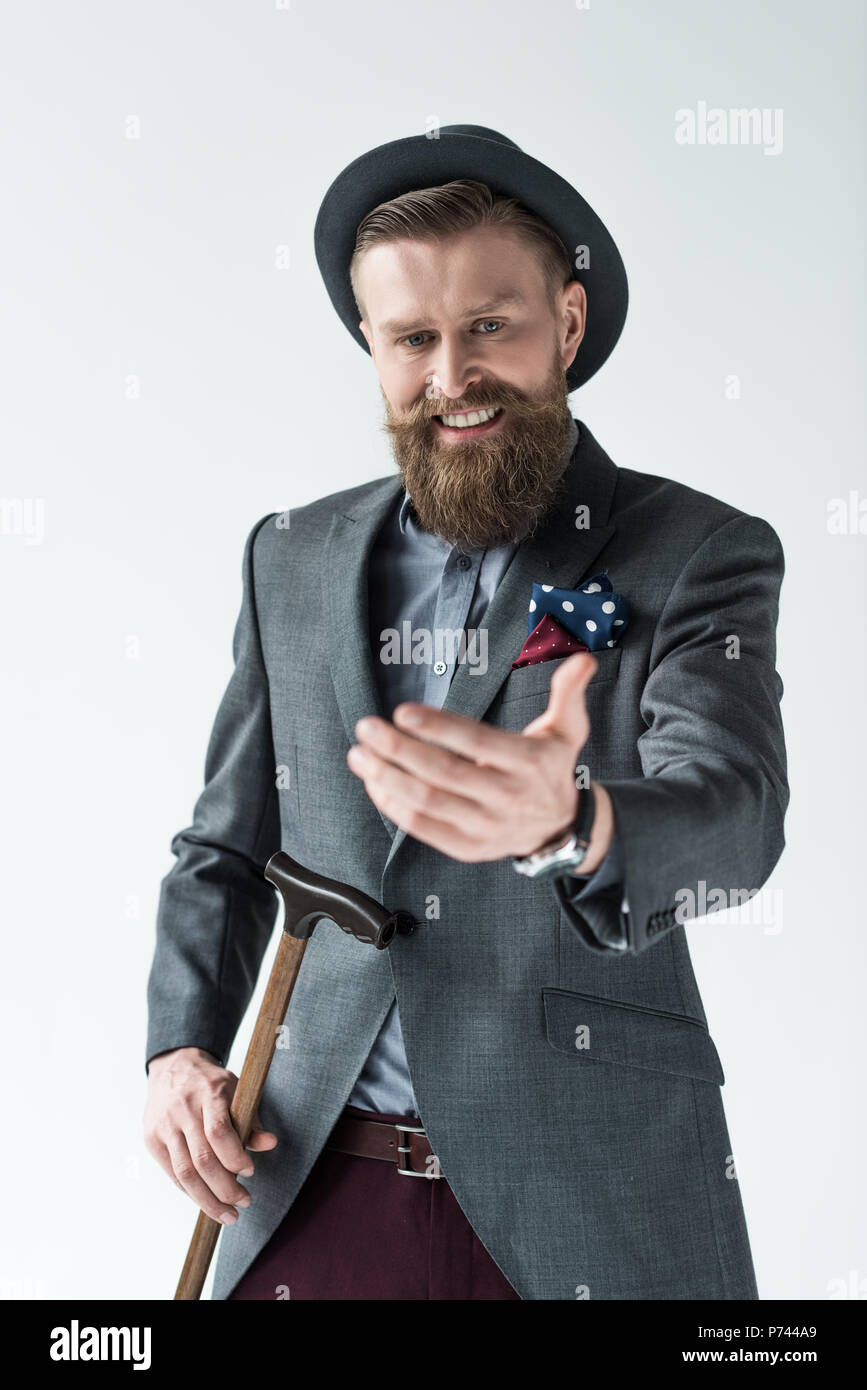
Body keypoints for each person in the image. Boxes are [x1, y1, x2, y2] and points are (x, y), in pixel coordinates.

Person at [144, 125, 787, 1300]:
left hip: (588, 1203)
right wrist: (179, 1050)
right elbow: (227, 847)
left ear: (570, 325)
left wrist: (574, 821)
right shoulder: (287, 558)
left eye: (489, 326)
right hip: (310, 1186)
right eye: (413, 339)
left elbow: (735, 819)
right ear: (373, 348)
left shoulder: (699, 552)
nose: (453, 377)